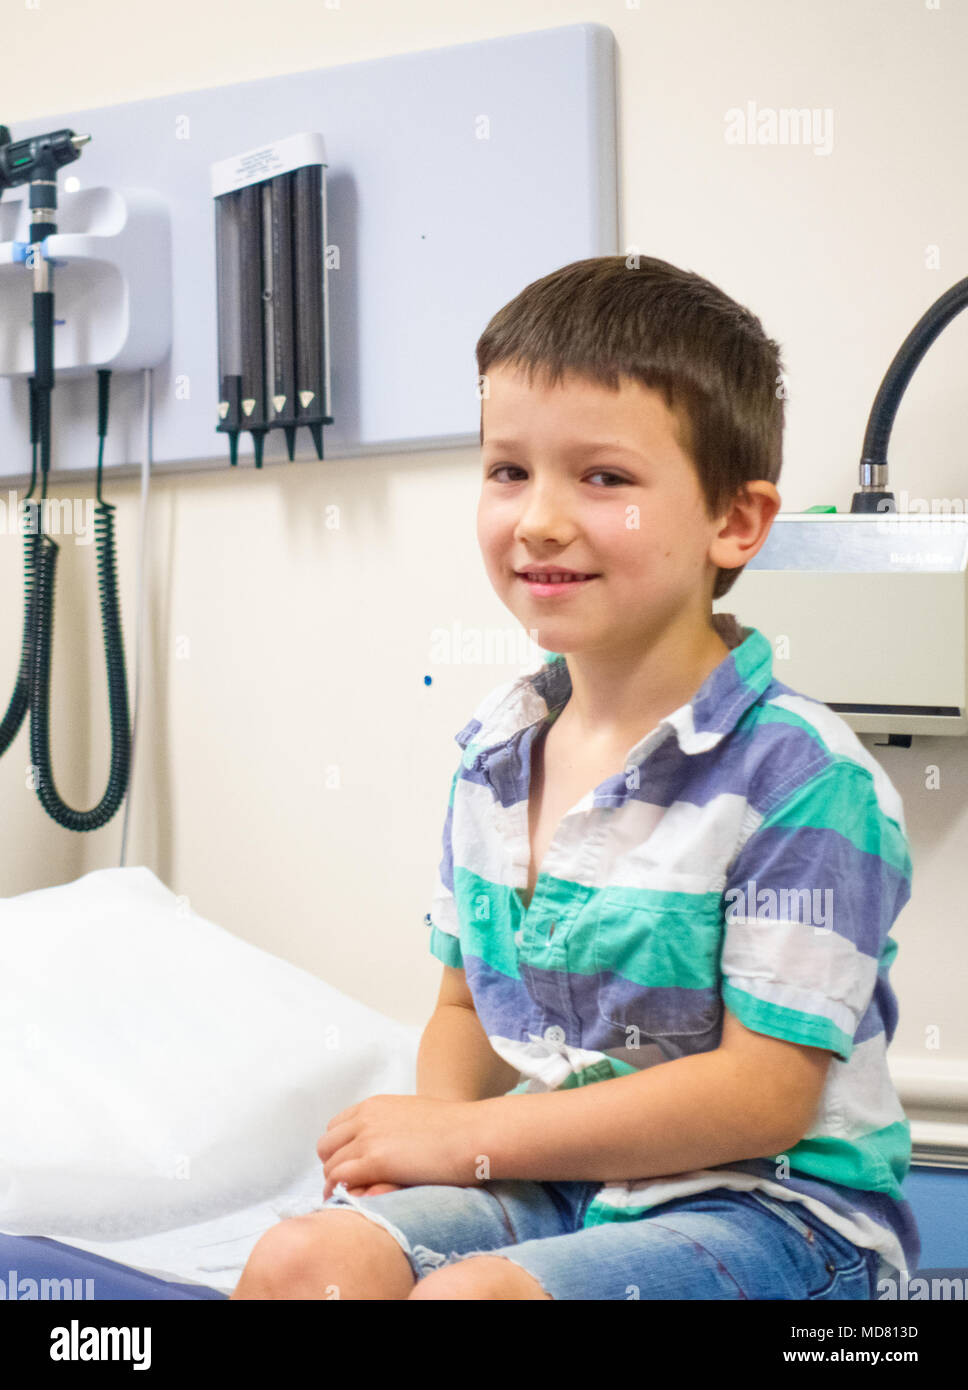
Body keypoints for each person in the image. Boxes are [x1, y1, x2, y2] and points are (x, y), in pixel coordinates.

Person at [231, 254, 919, 1300]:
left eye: (601, 478)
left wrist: (465, 1141)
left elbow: (761, 1094)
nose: (537, 517)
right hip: (561, 1183)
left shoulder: (798, 778)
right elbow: (462, 1013)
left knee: (476, 1298)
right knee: (304, 1260)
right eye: (508, 471)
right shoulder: (493, 761)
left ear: (733, 522)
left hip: (771, 1212)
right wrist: (431, 1160)